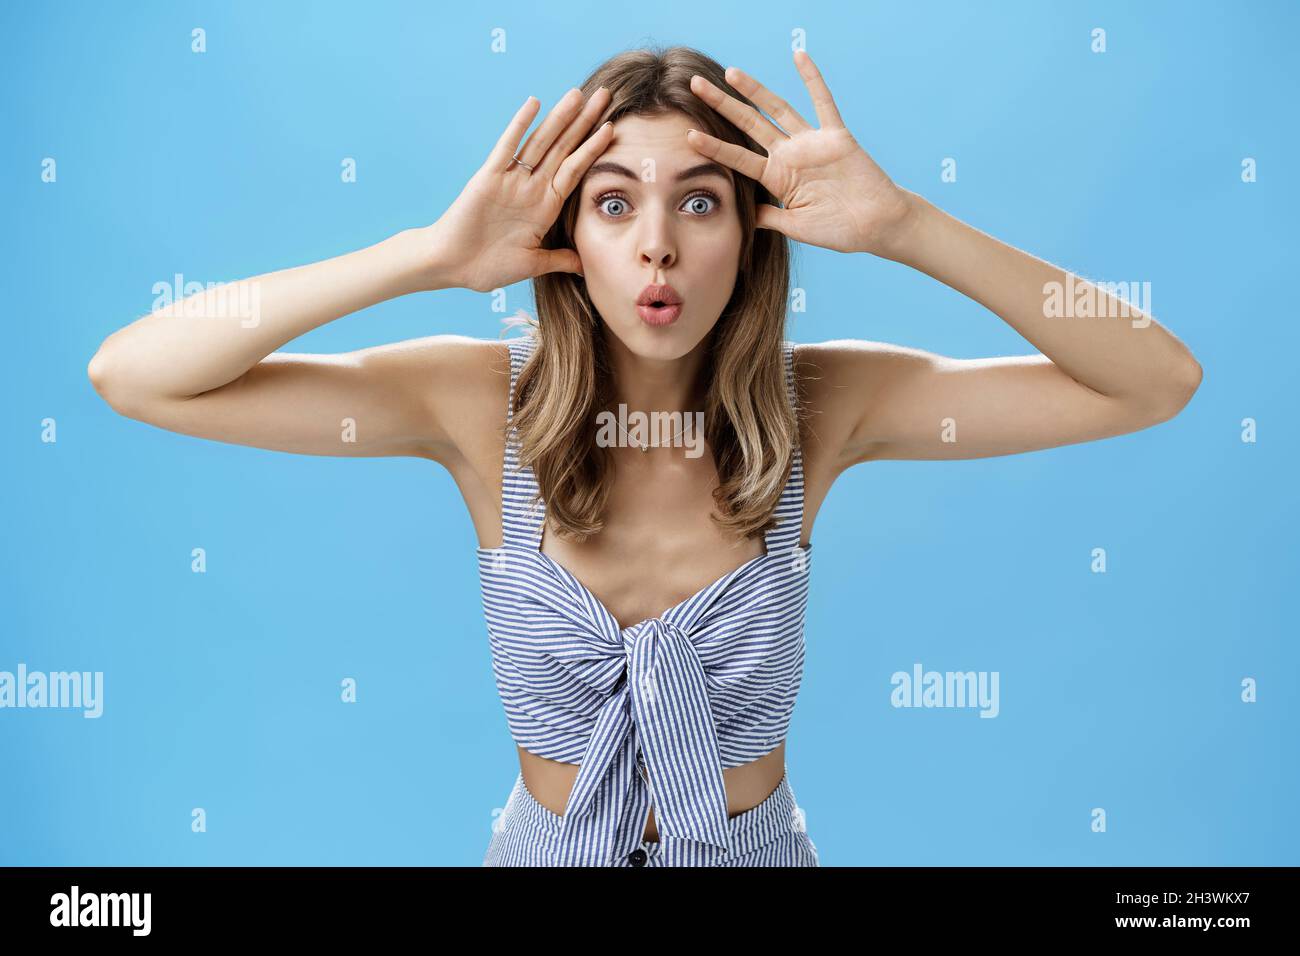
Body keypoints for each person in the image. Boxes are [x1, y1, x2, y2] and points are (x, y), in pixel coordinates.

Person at [87, 45, 1202, 867]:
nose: (657, 241)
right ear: (567, 237)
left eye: (699, 202)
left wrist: (905, 223)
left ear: (754, 232)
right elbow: (134, 373)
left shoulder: (822, 405)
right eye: (613, 203)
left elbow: (1154, 380)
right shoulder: (481, 409)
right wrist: (423, 256)